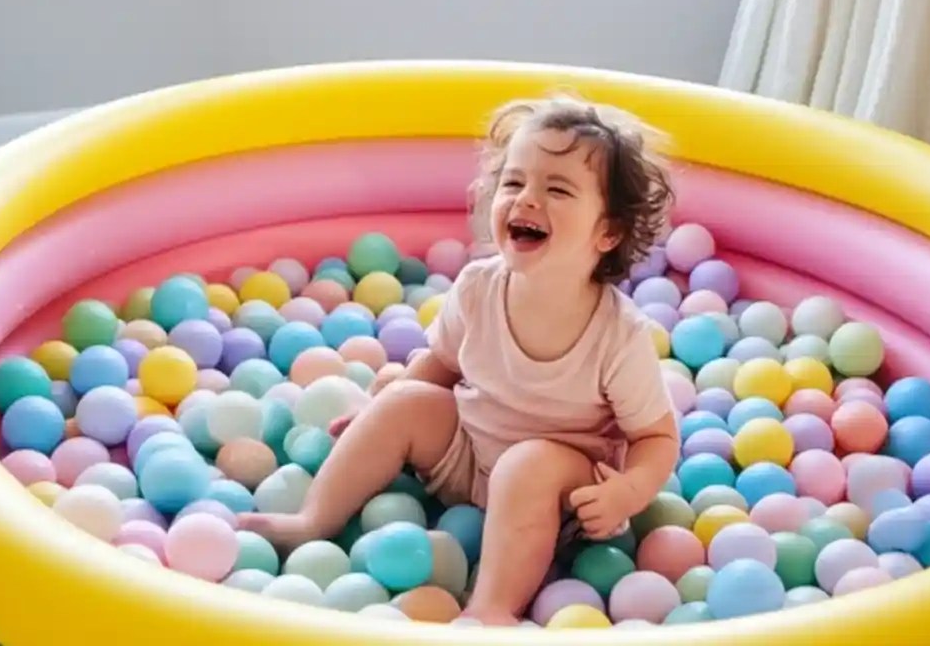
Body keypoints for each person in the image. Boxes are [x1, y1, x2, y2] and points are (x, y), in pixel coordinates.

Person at [239, 94, 681, 625]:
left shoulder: (619, 335)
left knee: (527, 463)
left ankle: (490, 609)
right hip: (468, 452)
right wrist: (378, 422)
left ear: (607, 233)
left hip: (557, 490)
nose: (527, 200)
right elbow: (441, 365)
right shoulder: (477, 287)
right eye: (514, 183)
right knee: (404, 397)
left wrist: (626, 494)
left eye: (557, 189)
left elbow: (656, 437)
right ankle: (311, 520)